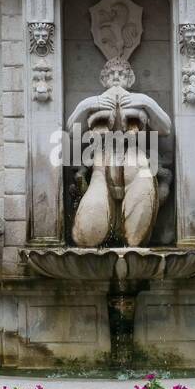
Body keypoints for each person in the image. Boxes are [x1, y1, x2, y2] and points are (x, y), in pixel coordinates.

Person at [66, 58, 172, 247]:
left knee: (135, 239)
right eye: (111, 74)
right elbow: (72, 131)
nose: (116, 77)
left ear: (130, 79)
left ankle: (133, 241)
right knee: (88, 235)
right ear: (103, 80)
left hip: (134, 161)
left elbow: (165, 128)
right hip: (101, 164)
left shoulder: (138, 101)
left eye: (121, 74)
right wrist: (89, 105)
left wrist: (147, 103)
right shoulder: (95, 102)